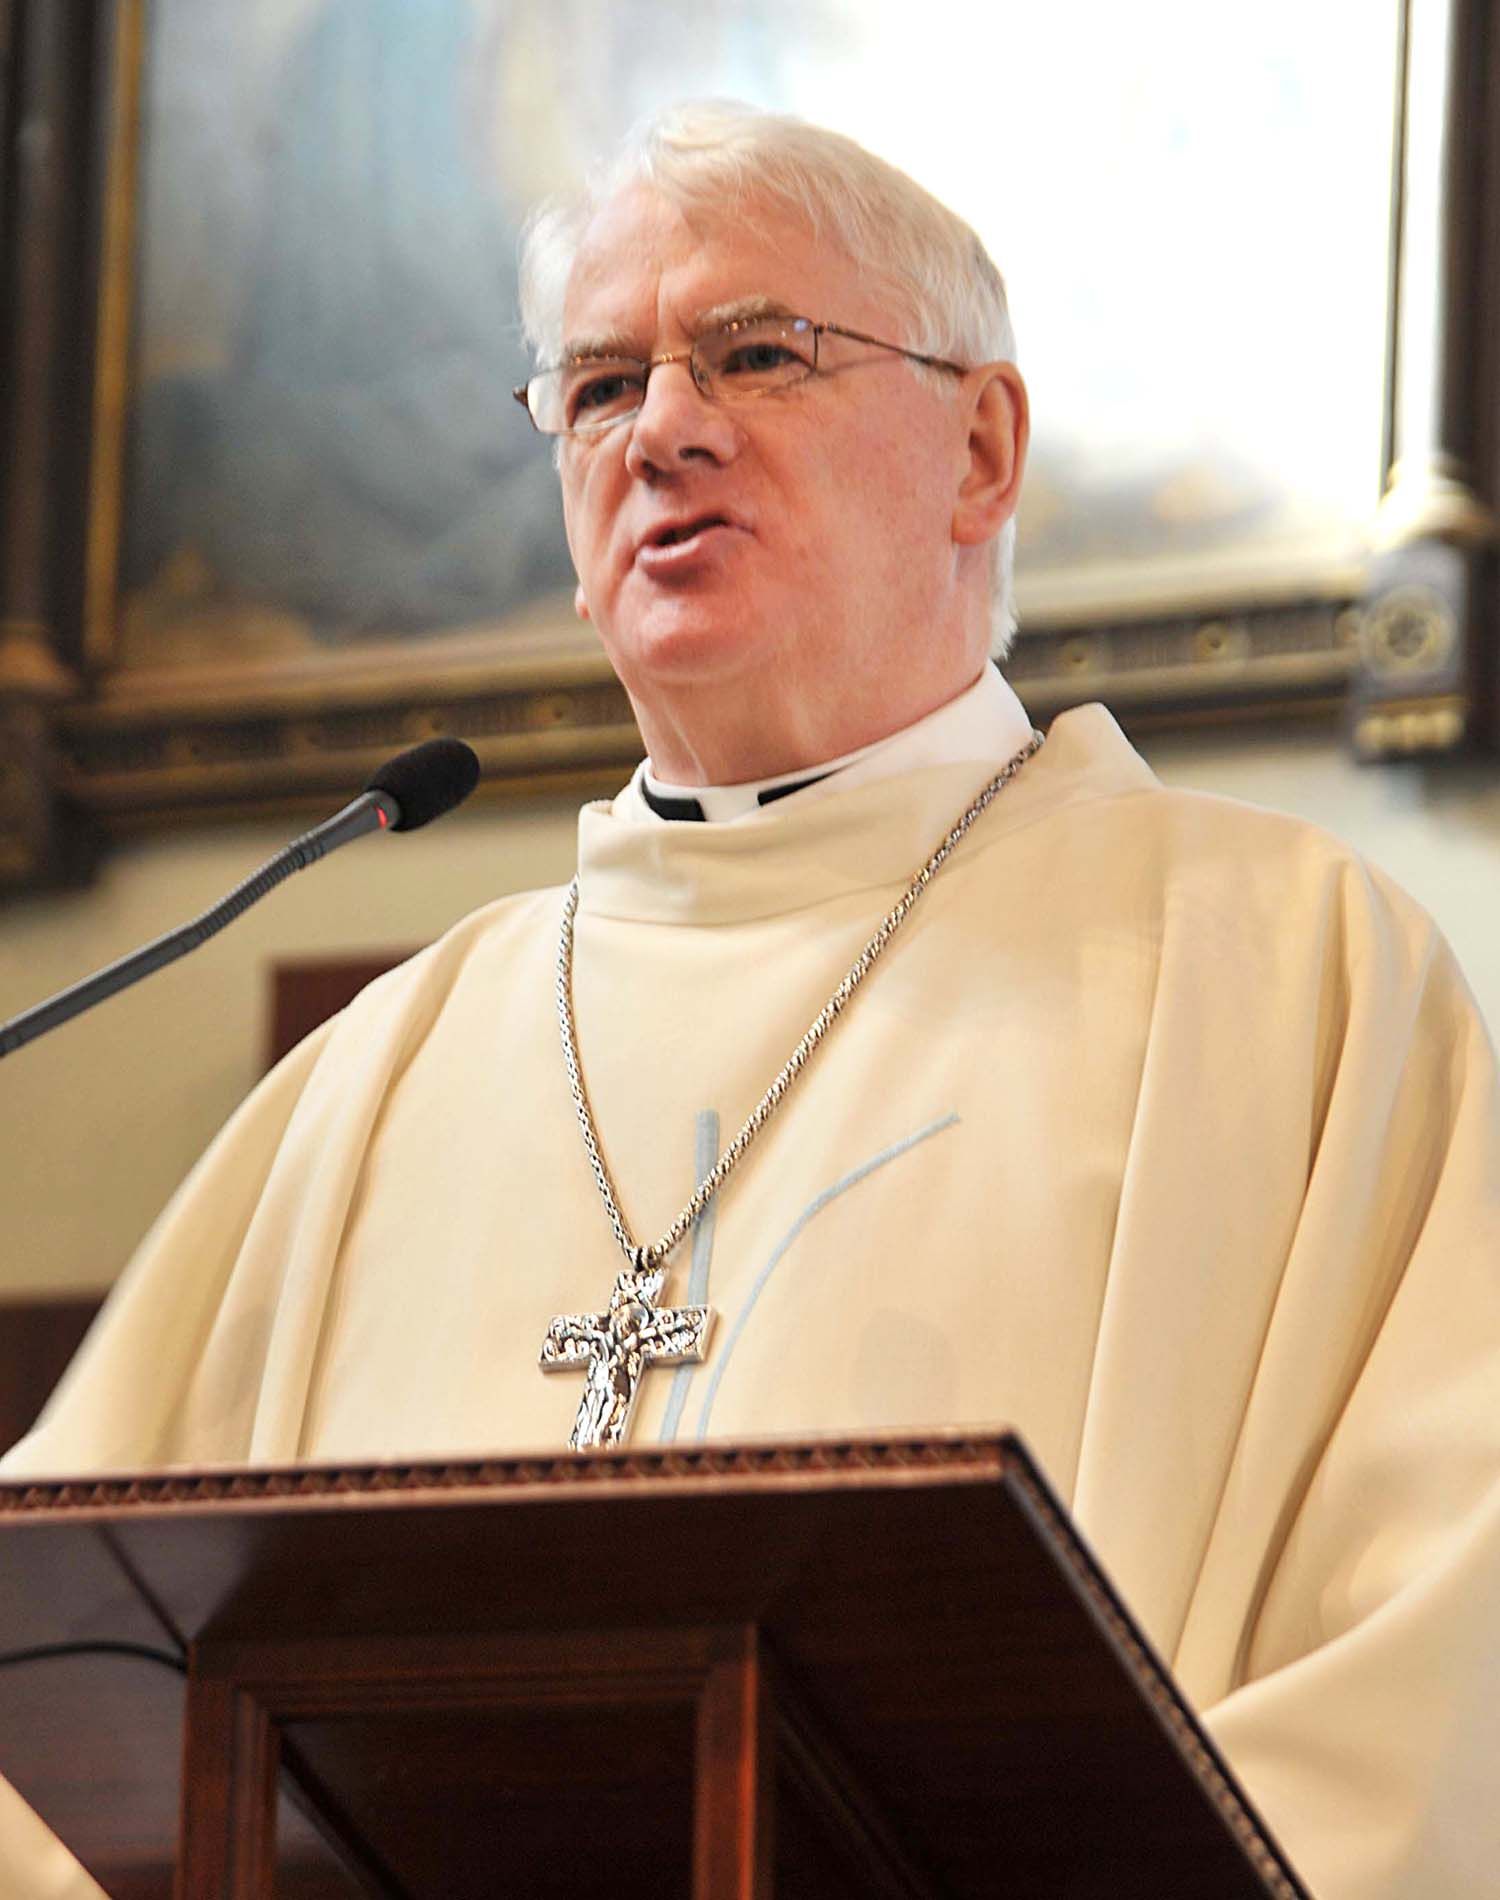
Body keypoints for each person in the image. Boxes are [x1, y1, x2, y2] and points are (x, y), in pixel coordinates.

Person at [3, 100, 1498, 1899]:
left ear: (981, 449)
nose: (665, 430)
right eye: (599, 385)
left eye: (756, 352)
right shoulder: (391, 1071)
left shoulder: (1288, 972)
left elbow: (1421, 1673)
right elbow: (60, 1699)